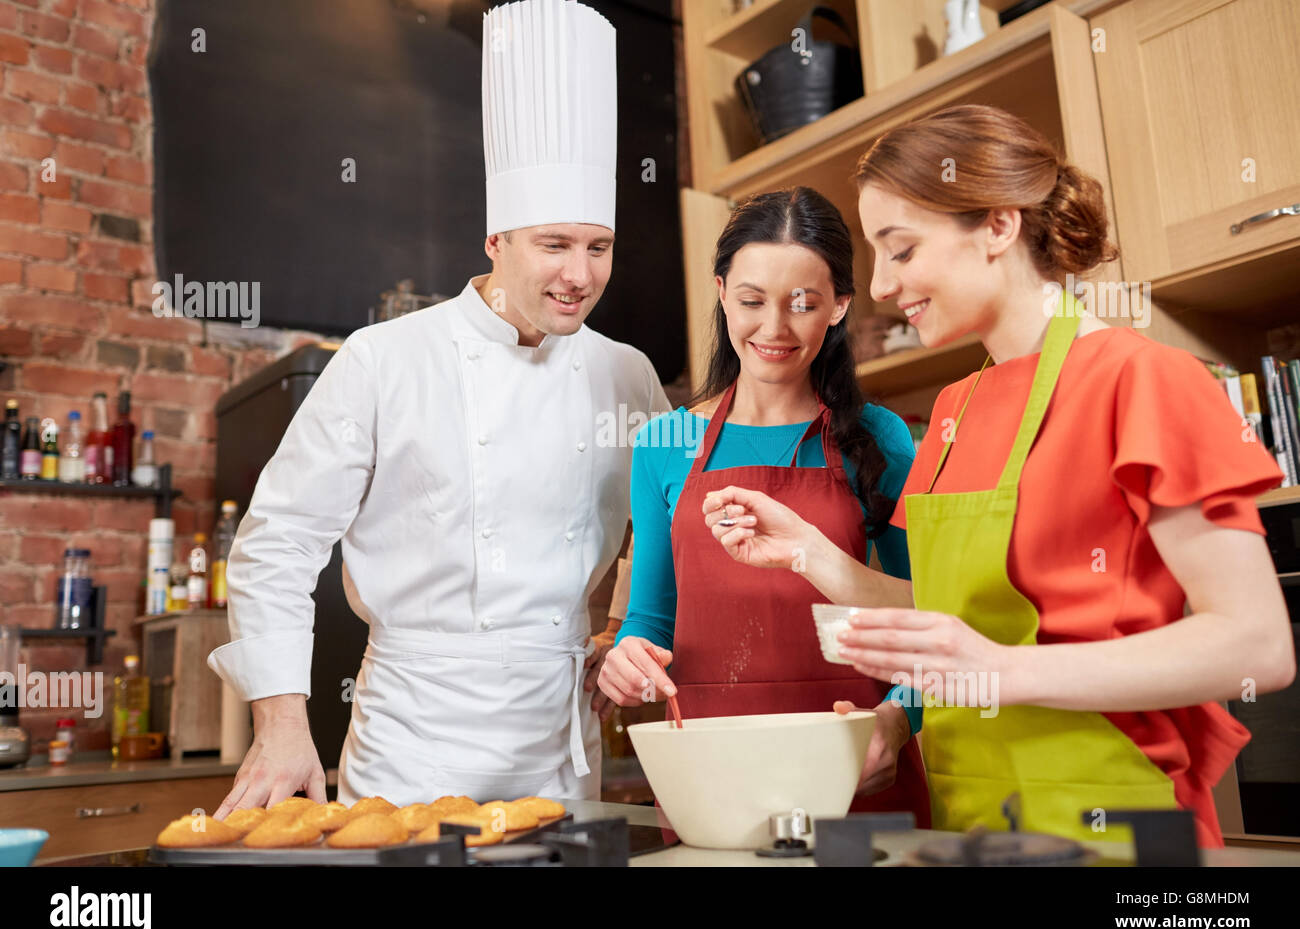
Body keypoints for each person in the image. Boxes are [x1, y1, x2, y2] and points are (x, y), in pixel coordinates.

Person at [701, 104, 1296, 847]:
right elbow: (958, 611)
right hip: (973, 823)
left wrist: (997, 673)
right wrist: (809, 556)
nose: (881, 286)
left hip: (1120, 826)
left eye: (902, 250)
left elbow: (1257, 645)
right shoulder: (958, 407)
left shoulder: (1145, 381)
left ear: (998, 226)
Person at [208, 0, 669, 813]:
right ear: (495, 243)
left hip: (560, 752)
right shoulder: (386, 359)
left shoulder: (626, 375)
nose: (580, 275)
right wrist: (280, 725)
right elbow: (276, 542)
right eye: (554, 245)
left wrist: (615, 637)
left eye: (597, 248)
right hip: (412, 748)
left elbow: (662, 534)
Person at [597, 187, 931, 821]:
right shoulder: (664, 444)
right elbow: (651, 619)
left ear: (839, 307)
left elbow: (931, 612)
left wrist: (899, 717)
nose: (773, 329)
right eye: (751, 301)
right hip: (711, 774)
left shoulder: (876, 437)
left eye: (803, 304)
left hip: (851, 763)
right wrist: (629, 656)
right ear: (722, 294)